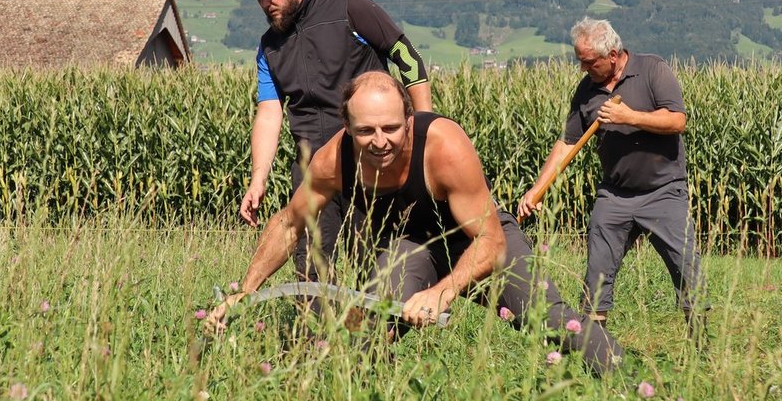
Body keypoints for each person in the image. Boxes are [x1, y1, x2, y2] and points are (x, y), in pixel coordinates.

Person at [212, 72, 622, 373]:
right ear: (348, 128)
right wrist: (243, 293)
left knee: (547, 319)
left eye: (391, 128)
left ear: (409, 118)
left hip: (475, 238)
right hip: (409, 245)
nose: (380, 141)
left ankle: (625, 378)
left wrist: (444, 292)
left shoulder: (444, 146)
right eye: (365, 131)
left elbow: (491, 240)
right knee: (368, 330)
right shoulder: (333, 160)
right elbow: (288, 224)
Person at [237, 0, 432, 277]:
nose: (266, 2)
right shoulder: (268, 47)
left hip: (368, 155)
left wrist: (425, 134)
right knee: (310, 262)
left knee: (372, 260)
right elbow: (269, 114)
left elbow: (408, 59)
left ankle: (375, 327)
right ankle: (313, 330)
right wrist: (259, 179)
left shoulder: (349, 8)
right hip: (312, 164)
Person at [516, 18, 704, 337]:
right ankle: (595, 353)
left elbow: (677, 121)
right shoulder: (587, 90)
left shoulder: (652, 71)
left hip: (664, 192)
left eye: (589, 62)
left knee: (686, 268)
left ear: (613, 55)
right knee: (597, 276)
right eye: (580, 61)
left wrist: (627, 116)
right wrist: (537, 189)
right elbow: (567, 142)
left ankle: (701, 345)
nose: (582, 69)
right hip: (615, 195)